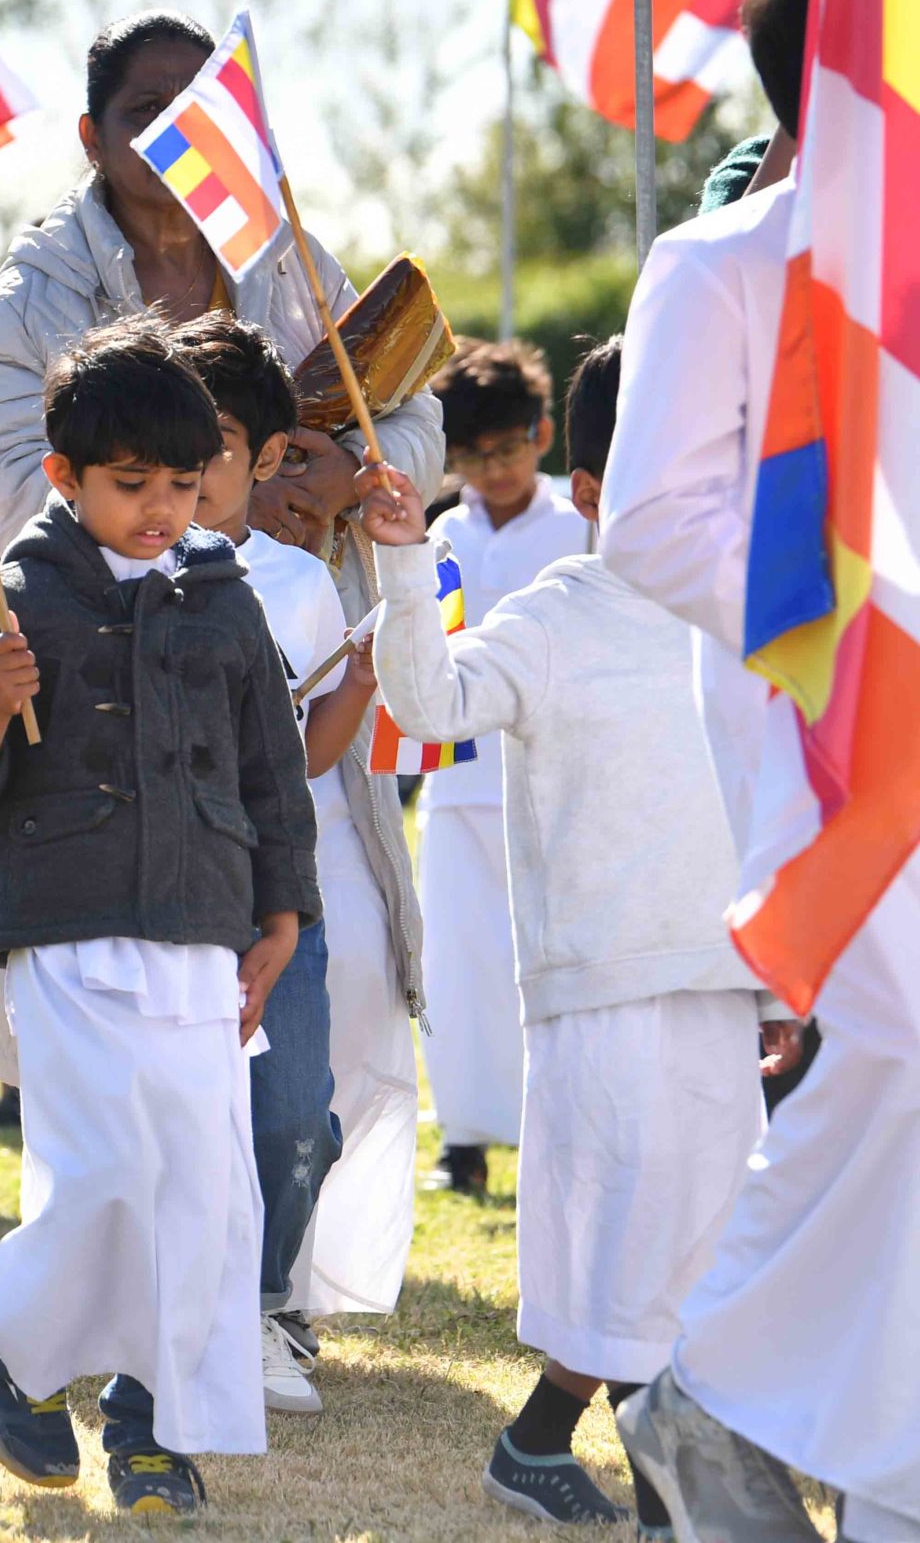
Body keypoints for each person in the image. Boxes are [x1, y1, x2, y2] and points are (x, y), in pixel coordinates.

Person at [0, 10, 441, 1182]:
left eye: (196, 109)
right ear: (89, 136)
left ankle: (274, 1275)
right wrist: (201, 516)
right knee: (132, 1021)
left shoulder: (289, 263)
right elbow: (13, 490)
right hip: (111, 718)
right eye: (144, 115)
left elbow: (411, 418)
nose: (175, 135)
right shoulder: (25, 300)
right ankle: (116, 1276)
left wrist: (329, 479)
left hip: (294, 654)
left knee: (328, 969)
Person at [605, 0, 920, 1542]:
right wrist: (871, 641)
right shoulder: (729, 261)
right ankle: (713, 1387)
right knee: (904, 1054)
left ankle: (875, 1477)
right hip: (834, 757)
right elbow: (654, 521)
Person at [365, 342, 790, 1532]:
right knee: (628, 1226)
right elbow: (425, 704)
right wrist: (402, 562)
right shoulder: (552, 615)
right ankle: (616, 1470)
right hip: (597, 982)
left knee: (699, 1240)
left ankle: (579, 1456)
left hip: (724, 976)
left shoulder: (749, 618)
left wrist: (785, 977)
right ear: (592, 491)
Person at [0, 319, 317, 1513]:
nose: (159, 508)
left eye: (183, 484)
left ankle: (149, 1422)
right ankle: (21, 1358)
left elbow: (272, 770)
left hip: (202, 928)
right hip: (65, 928)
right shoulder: (17, 593)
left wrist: (282, 911)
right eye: (130, 484)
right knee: (101, 1174)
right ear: (63, 477)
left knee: (198, 1186)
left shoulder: (222, 593)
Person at [173, 311, 392, 1417]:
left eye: (212, 443)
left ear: (263, 460)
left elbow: (301, 759)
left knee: (291, 1110)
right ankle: (147, 1317)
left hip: (271, 898)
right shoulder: (102, 567)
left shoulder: (297, 585)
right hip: (150, 898)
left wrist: (353, 689)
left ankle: (263, 1304)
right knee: (159, 1114)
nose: (185, 467)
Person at [412, 339, 590, 1196]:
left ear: (544, 434)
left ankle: (554, 1126)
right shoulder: (443, 531)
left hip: (557, 776)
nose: (495, 468)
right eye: (474, 455)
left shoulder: (581, 527)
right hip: (460, 778)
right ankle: (466, 1135)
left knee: (547, 953)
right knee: (460, 960)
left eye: (509, 447)